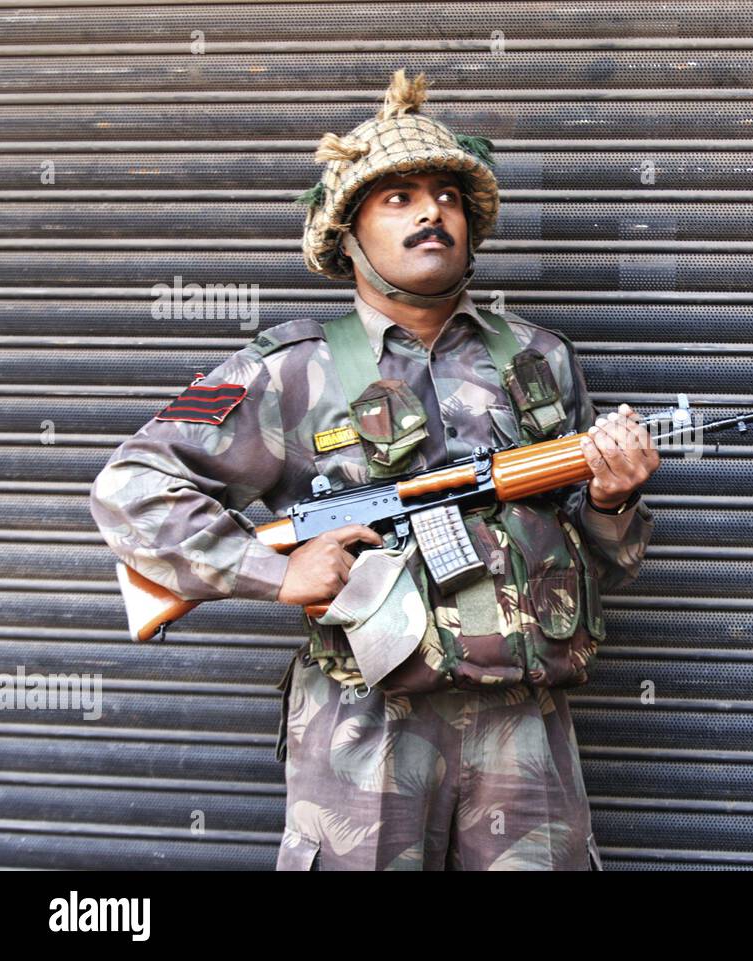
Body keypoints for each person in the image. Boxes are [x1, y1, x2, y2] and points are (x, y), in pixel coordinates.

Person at [89, 69, 659, 870]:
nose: (432, 211)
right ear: (346, 233)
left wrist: (612, 499)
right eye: (398, 198)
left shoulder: (539, 358)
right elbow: (131, 487)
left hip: (524, 730)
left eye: (447, 195)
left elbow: (605, 555)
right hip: (366, 728)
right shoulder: (290, 368)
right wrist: (271, 568)